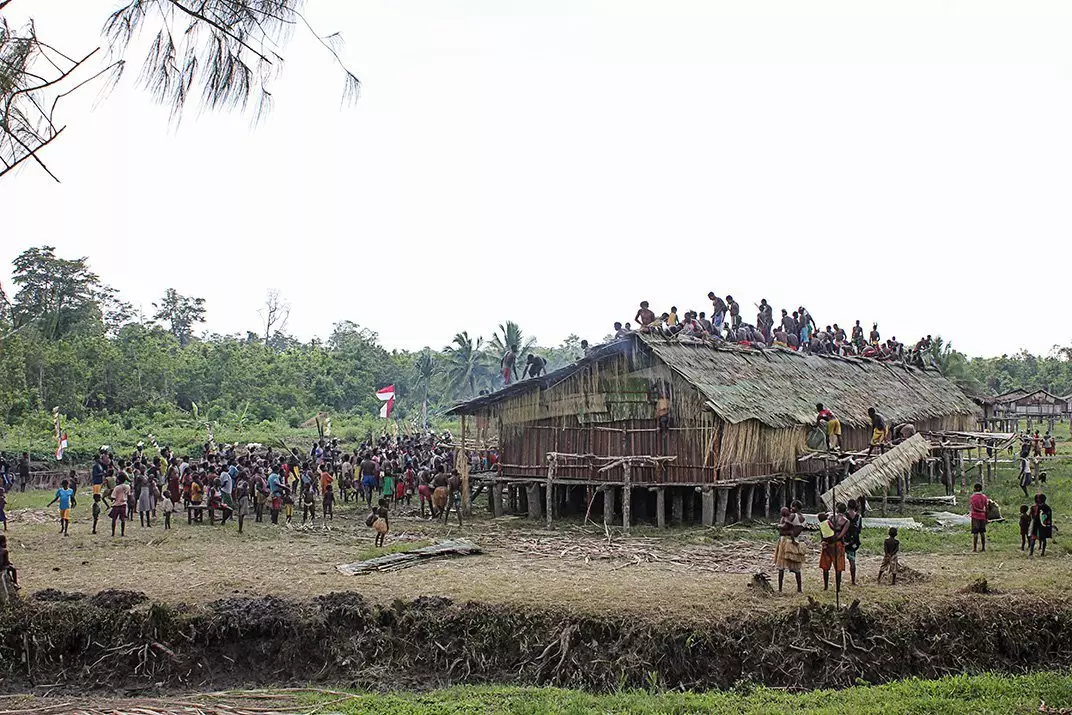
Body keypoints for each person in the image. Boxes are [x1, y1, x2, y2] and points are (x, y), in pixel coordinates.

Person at [773, 503, 805, 592]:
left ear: (796, 507)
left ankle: (780, 589)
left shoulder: (791, 516)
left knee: (781, 566)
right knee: (796, 566)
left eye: (792, 506)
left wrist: (779, 526)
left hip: (785, 541)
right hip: (795, 540)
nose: (790, 508)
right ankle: (799, 589)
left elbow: (786, 527)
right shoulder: (802, 517)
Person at [819, 505, 848, 593]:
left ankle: (826, 586)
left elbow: (823, 526)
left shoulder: (830, 517)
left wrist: (824, 540)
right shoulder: (846, 521)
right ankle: (838, 588)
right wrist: (836, 538)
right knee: (838, 567)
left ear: (837, 509)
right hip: (838, 544)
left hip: (827, 543)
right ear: (845, 510)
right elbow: (842, 533)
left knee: (825, 566)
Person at [844, 499, 863, 586]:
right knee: (852, 561)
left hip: (843, 540)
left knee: (840, 559)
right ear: (856, 506)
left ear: (847, 506)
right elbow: (859, 530)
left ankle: (839, 579)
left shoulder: (844, 516)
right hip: (854, 541)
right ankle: (853, 581)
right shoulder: (859, 517)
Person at [969, 483, 989, 552]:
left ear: (975, 488)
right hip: (982, 516)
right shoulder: (984, 497)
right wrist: (986, 517)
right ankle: (983, 548)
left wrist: (979, 510)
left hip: (975, 516)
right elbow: (987, 508)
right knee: (982, 532)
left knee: (975, 533)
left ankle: (975, 548)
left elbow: (973, 507)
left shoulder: (972, 497)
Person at [0, 534, 18, 600]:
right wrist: (9, 564)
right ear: (2, 543)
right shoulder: (4, 551)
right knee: (13, 569)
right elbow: (5, 562)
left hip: (2, 567)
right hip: (1, 568)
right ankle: (15, 583)